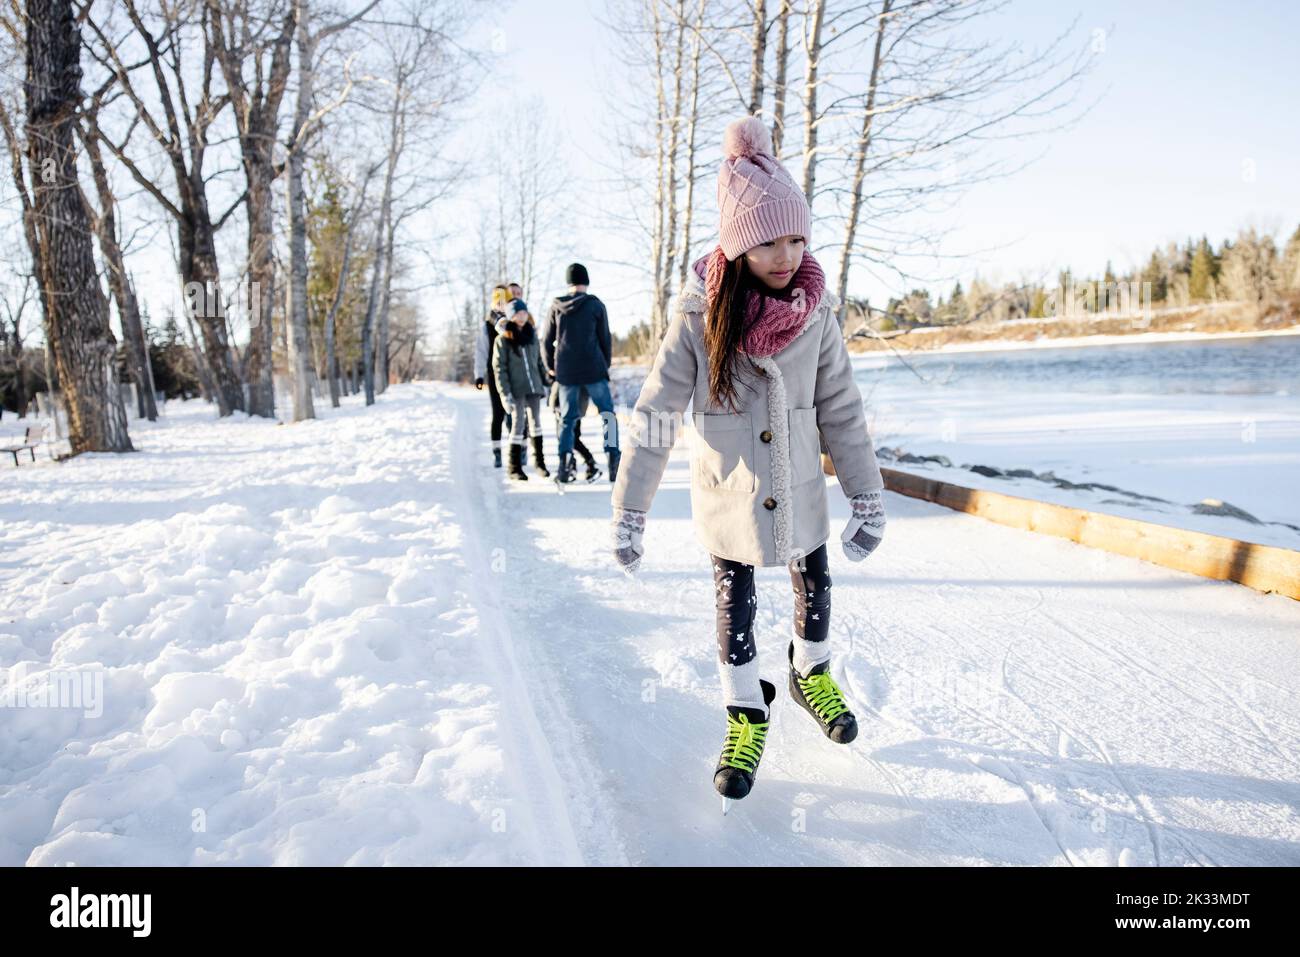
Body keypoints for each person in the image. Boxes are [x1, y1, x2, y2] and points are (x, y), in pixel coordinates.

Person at [609, 115, 888, 803]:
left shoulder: (816, 317)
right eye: (768, 240)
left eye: (797, 236)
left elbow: (843, 411)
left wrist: (867, 493)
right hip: (727, 503)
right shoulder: (698, 324)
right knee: (734, 606)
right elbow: (653, 418)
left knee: (814, 590)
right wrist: (629, 508)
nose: (787, 253)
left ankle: (809, 673)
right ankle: (744, 711)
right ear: (736, 247)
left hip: (801, 498)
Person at [543, 263, 620, 485]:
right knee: (608, 415)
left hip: (566, 372)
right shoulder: (595, 305)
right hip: (594, 368)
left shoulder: (556, 306)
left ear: (568, 283)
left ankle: (564, 465)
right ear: (586, 281)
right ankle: (614, 459)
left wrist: (551, 366)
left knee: (567, 419)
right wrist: (604, 365)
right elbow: (605, 338)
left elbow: (546, 340)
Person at [492, 299, 552, 480]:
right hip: (515, 389)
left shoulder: (531, 336)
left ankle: (539, 463)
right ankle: (514, 467)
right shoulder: (503, 339)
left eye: (524, 313)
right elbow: (499, 369)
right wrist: (505, 394)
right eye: (518, 313)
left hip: (533, 386)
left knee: (536, 422)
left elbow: (539, 361)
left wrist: (546, 382)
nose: (522, 316)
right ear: (511, 316)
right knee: (518, 425)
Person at [474, 285, 513, 468]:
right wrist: (479, 375)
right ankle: (497, 452)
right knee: (498, 413)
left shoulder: (513, 321)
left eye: (503, 302)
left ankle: (517, 450)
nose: (500, 305)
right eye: (497, 302)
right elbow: (481, 351)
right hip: (494, 374)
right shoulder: (488, 325)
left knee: (513, 413)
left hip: (514, 374)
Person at [548, 380, 602, 482]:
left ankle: (584, 465)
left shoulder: (564, 371)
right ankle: (577, 466)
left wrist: (553, 406)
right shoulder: (583, 372)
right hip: (577, 410)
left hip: (564, 411)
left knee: (568, 440)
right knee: (573, 440)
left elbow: (557, 386)